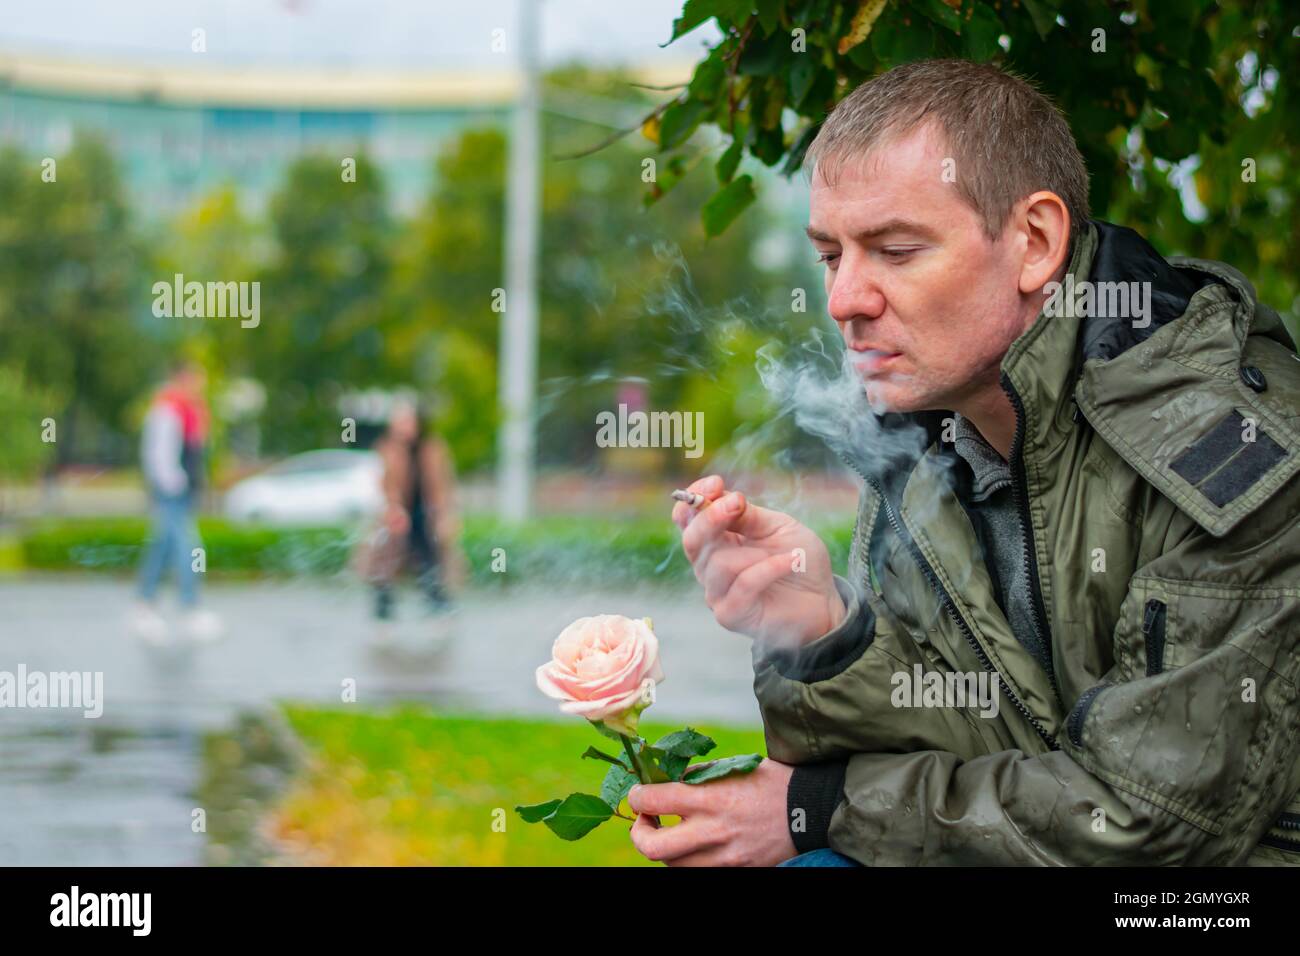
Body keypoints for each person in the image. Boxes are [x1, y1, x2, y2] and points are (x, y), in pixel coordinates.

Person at [629, 59, 1300, 866]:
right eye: (831, 256)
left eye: (896, 250)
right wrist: (822, 631)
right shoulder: (925, 446)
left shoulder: (1229, 450)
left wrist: (818, 810)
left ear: (1035, 242)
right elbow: (987, 733)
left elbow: (1150, 826)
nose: (845, 299)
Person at [130, 360, 222, 644]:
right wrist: (174, 484)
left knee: (163, 546)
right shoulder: (167, 410)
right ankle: (189, 607)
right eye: (195, 379)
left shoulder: (190, 411)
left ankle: (144, 604)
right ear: (182, 378)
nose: (199, 386)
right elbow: (157, 454)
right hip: (172, 491)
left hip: (182, 491)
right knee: (188, 546)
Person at [355, 399, 464, 628]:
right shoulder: (387, 448)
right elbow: (384, 484)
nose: (403, 426)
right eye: (399, 421)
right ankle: (382, 616)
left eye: (407, 421)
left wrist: (447, 514)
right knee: (384, 567)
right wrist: (392, 508)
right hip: (395, 518)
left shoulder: (432, 447)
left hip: (426, 518)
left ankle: (439, 612)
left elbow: (444, 483)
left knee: (431, 563)